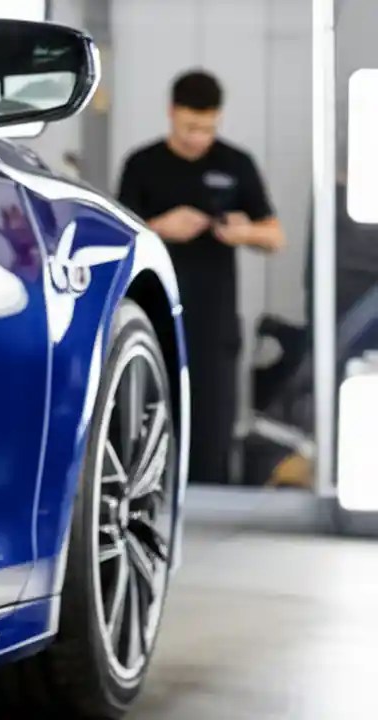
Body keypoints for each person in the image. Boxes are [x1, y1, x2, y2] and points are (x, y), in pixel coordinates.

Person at [117, 70, 285, 484]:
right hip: (154, 320)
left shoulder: (235, 164)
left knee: (212, 429)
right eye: (191, 127)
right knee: (149, 417)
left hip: (215, 323)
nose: (198, 138)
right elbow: (120, 238)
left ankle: (213, 505)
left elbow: (275, 236)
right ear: (173, 113)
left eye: (208, 129)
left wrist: (241, 232)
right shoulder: (142, 164)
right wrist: (160, 227)